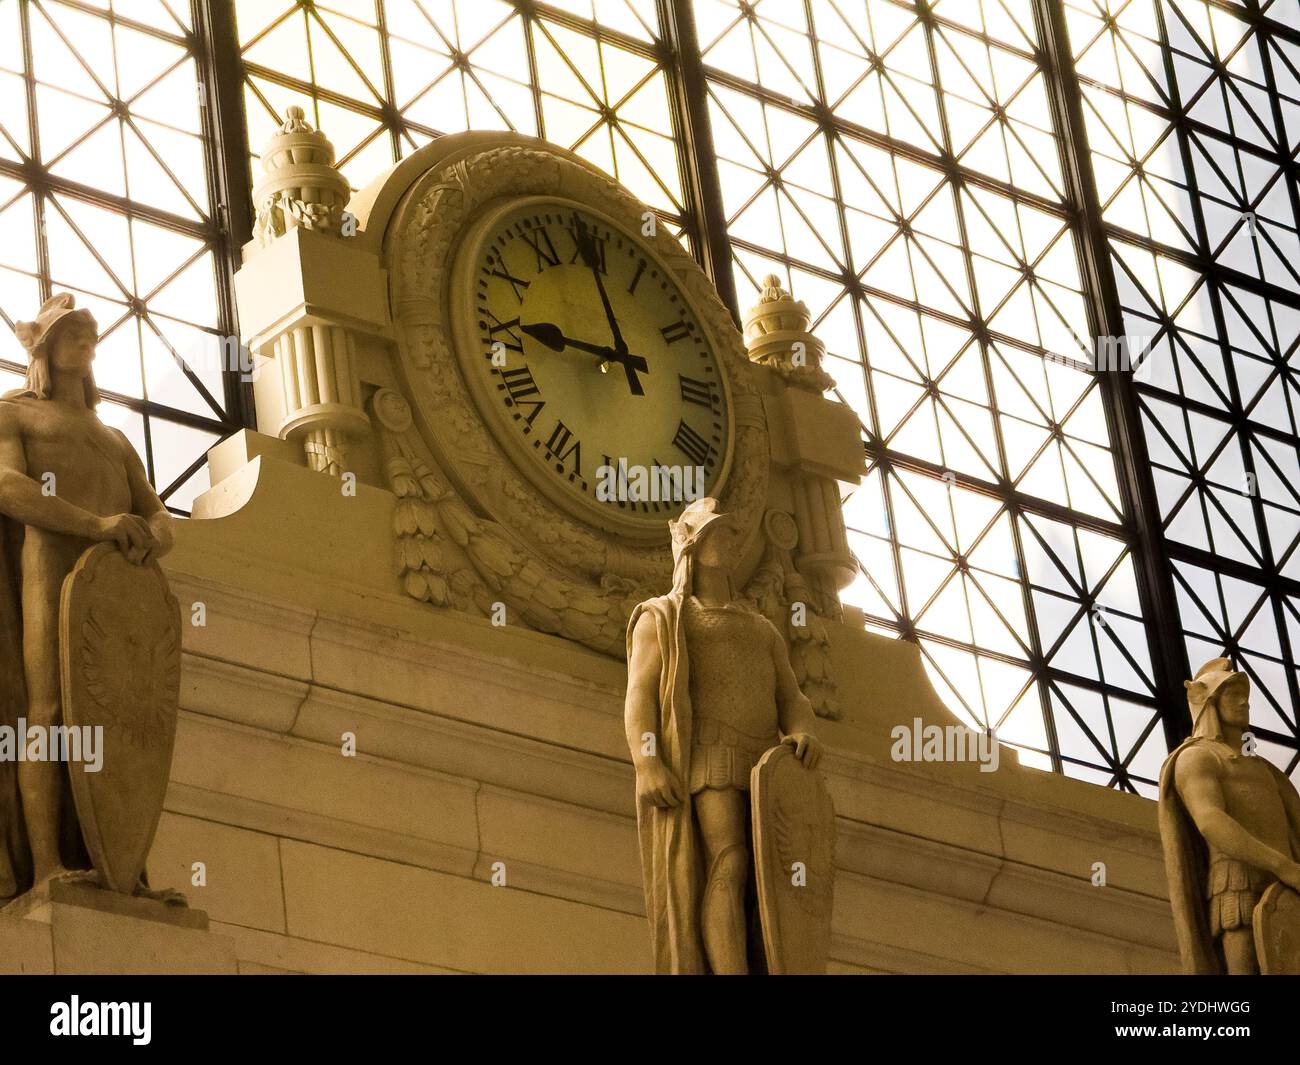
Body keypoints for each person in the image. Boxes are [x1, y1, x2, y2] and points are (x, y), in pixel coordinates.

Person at [0, 293, 172, 902]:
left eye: (91, 333)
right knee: (47, 715)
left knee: (119, 719)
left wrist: (152, 537)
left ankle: (122, 868)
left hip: (115, 585)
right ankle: (46, 866)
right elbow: (9, 488)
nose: (86, 340)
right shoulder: (16, 415)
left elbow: (156, 514)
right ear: (44, 348)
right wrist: (96, 525)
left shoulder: (114, 437)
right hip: (48, 565)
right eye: (73, 332)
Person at [624, 497, 822, 973]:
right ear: (691, 546)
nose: (730, 543)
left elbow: (791, 696)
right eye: (717, 534)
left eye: (731, 534)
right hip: (709, 758)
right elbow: (640, 695)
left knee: (767, 881)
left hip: (765, 767)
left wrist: (802, 730)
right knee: (729, 861)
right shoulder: (663, 618)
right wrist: (648, 761)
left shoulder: (762, 628)